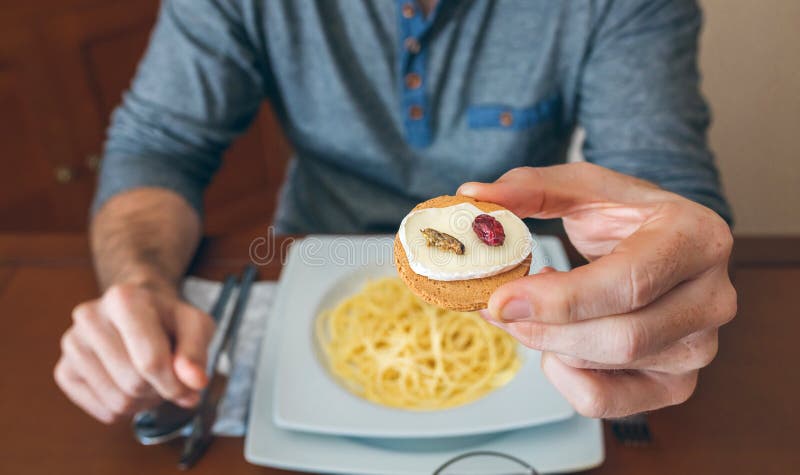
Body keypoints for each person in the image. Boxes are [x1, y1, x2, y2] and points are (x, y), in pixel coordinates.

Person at [54, 0, 736, 423]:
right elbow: (157, 146)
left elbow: (663, 187)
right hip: (307, 258)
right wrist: (141, 284)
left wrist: (671, 270)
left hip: (526, 305)